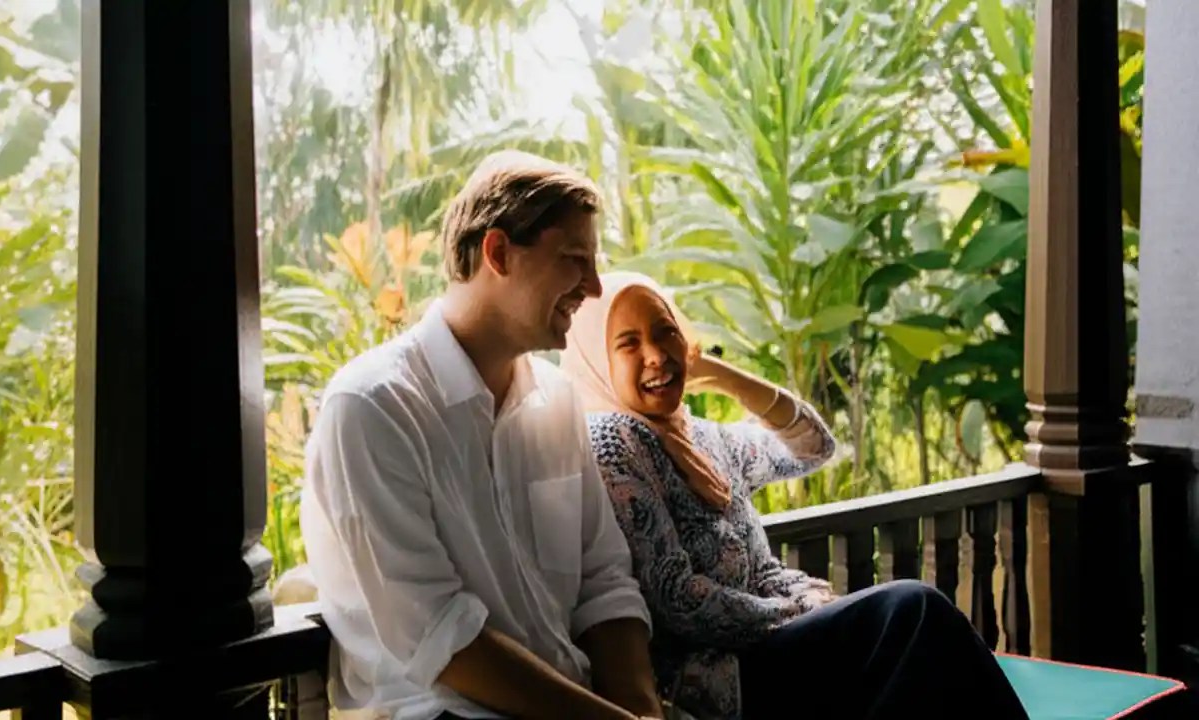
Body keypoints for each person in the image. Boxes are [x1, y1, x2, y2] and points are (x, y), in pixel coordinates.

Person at [558, 271, 1030, 720]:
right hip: (720, 677)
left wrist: (726, 377)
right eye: (629, 344)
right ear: (595, 361)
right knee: (912, 610)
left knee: (922, 674)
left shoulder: (698, 437)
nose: (657, 355)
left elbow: (813, 446)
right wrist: (795, 611)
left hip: (767, 647)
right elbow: (677, 599)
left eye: (666, 333)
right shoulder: (615, 440)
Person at [299, 153, 662, 720]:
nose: (593, 288)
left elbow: (604, 581)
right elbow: (438, 636)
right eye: (574, 260)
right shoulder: (373, 407)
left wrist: (644, 712)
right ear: (498, 253)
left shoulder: (558, 399)